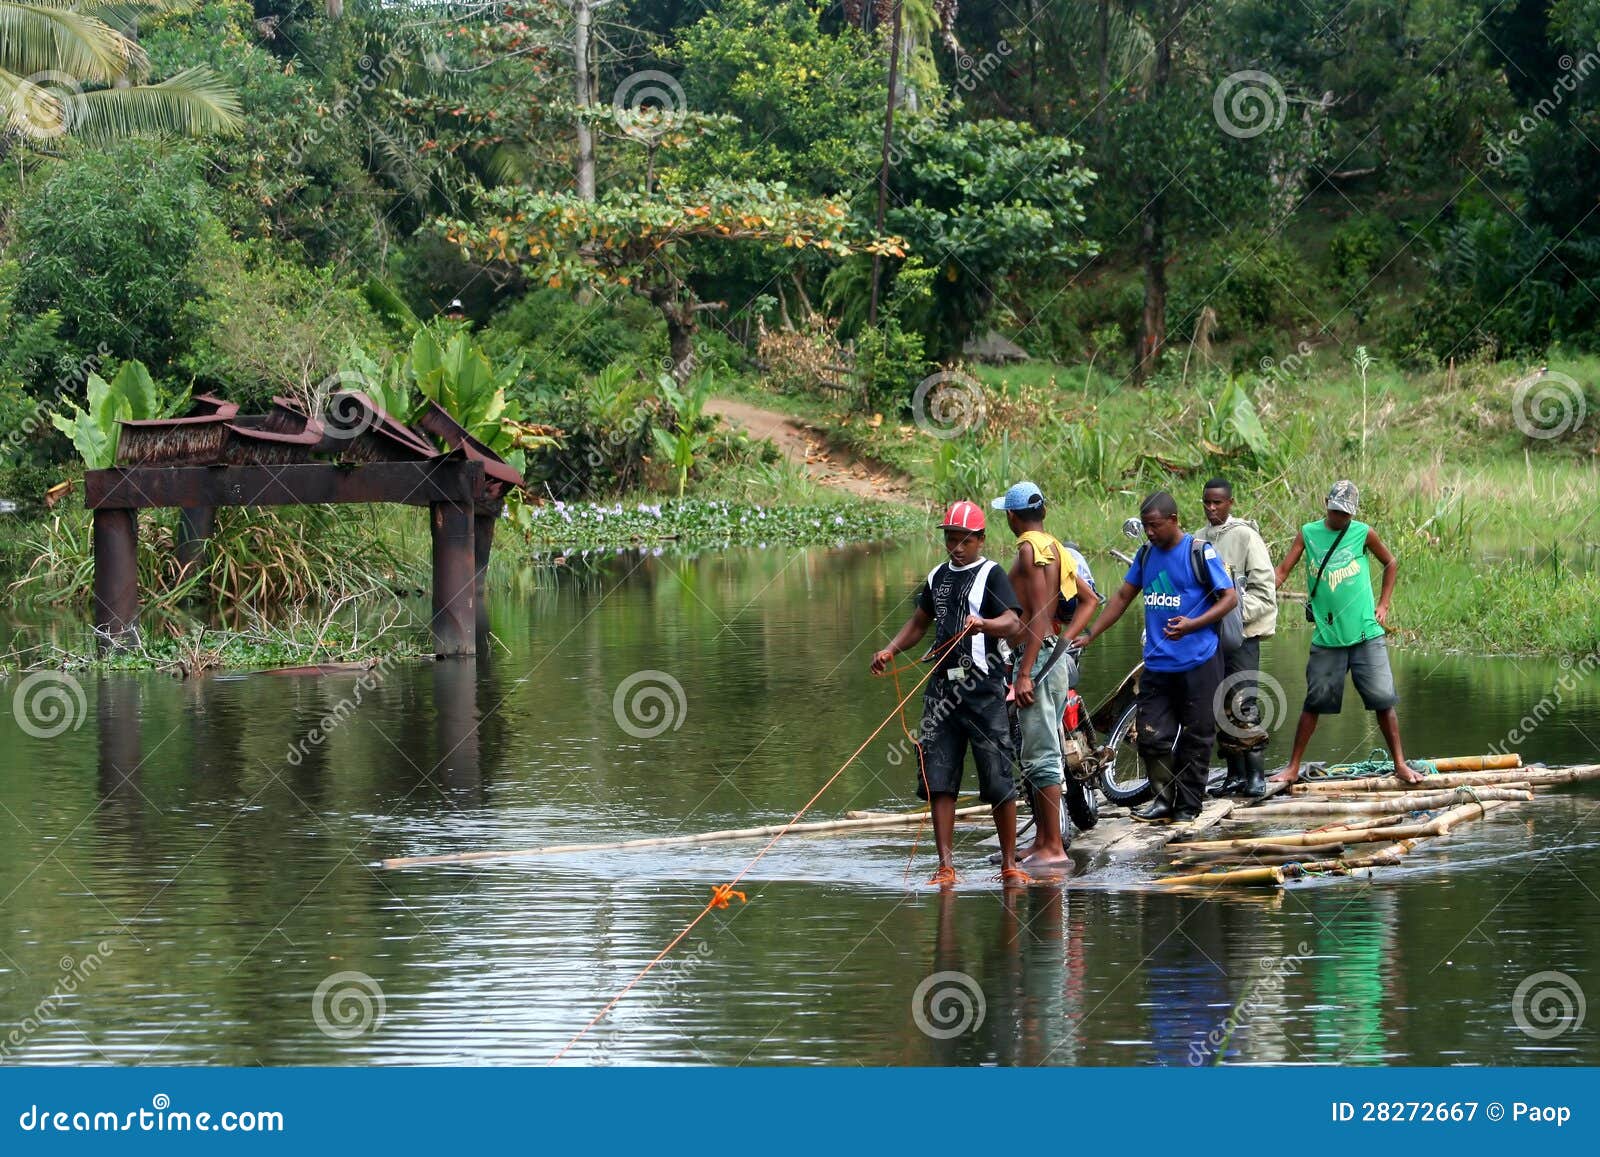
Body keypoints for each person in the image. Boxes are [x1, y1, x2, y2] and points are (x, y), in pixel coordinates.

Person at [872, 500, 1026, 885]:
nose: (956, 548)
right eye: (950, 539)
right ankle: (945, 867)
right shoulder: (937, 576)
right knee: (938, 775)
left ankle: (1009, 864)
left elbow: (1012, 620)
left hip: (984, 688)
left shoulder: (992, 575)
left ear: (980, 539)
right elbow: (919, 622)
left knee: (997, 775)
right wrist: (890, 649)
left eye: (964, 541)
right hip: (942, 690)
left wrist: (983, 624)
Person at [1077, 491, 1238, 823]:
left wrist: (1194, 624)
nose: (1149, 532)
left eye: (1155, 525)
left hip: (1200, 662)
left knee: (1197, 738)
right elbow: (1122, 596)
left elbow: (1229, 598)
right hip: (1157, 663)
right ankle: (1164, 800)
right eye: (1146, 526)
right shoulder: (1146, 554)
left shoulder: (1198, 552)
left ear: (1174, 520)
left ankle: (1188, 808)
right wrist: (1091, 633)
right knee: (1150, 736)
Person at [1269, 481, 1424, 786]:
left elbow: (1390, 562)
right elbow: (1282, 570)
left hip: (1366, 634)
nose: (1341, 518)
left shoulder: (1362, 532)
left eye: (1346, 514)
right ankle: (1292, 767)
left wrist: (1384, 605)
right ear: (1325, 503)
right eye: (1336, 511)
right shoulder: (1308, 533)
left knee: (1383, 700)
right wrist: (1259, 593)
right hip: (1328, 637)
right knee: (1314, 702)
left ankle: (1400, 765)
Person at [992, 481, 1100, 866]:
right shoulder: (1056, 548)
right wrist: (1066, 639)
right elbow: (1089, 601)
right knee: (1040, 749)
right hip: (1049, 655)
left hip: (1034, 659)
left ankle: (1052, 848)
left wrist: (1024, 673)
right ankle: (1042, 841)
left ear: (1011, 515)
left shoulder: (1028, 550)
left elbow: (1037, 615)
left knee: (1041, 754)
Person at [1196, 477, 1276, 798]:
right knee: (1219, 704)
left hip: (1242, 635)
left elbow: (1264, 591)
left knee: (1243, 702)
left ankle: (1256, 774)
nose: (1211, 508)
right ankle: (1234, 774)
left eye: (1217, 503)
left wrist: (1230, 616)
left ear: (1230, 503)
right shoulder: (1198, 540)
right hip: (1209, 637)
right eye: (1207, 503)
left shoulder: (1245, 537)